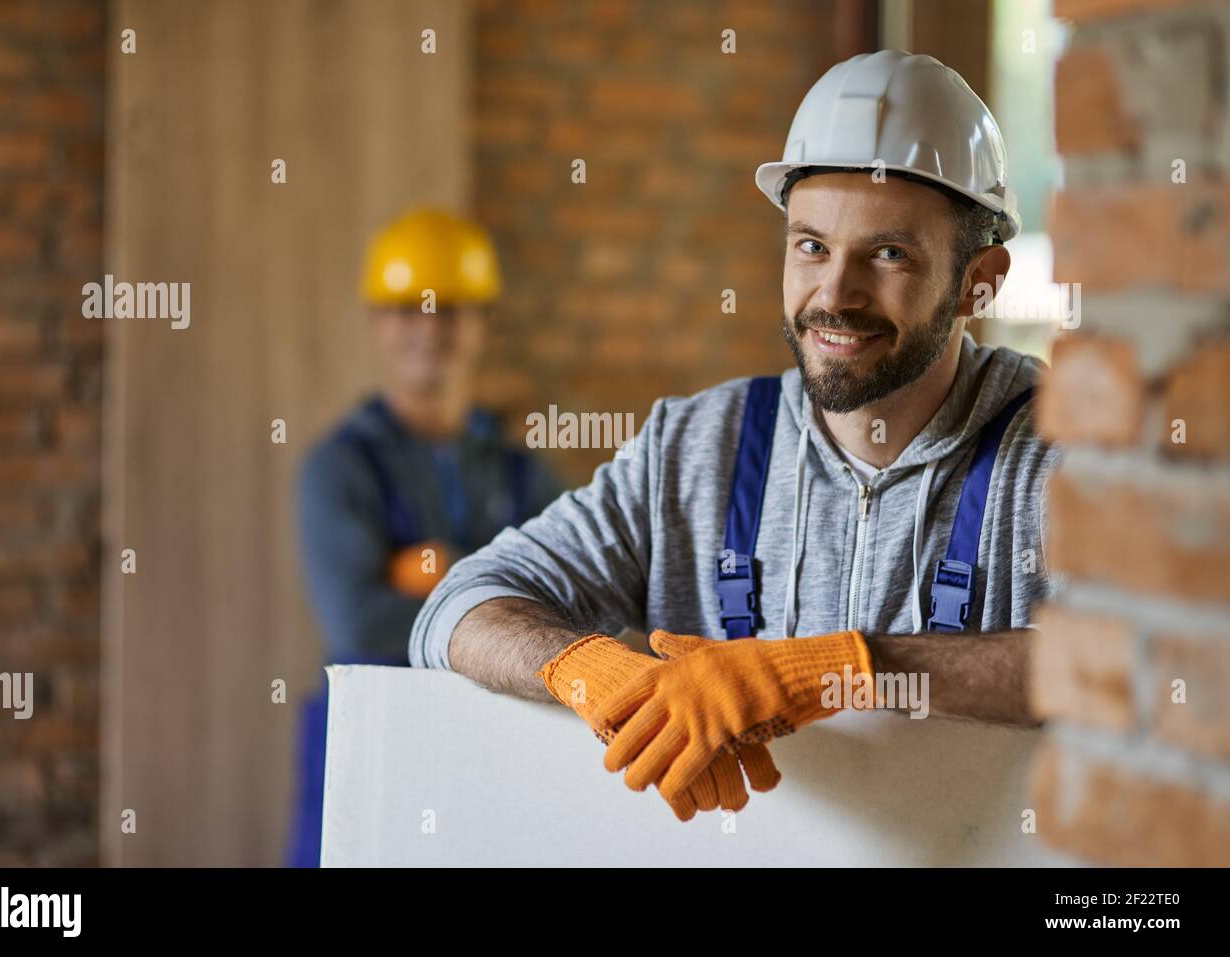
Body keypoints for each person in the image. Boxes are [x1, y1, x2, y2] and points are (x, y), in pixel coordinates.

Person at [408, 51, 1063, 821]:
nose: (835, 295)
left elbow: (1146, 670)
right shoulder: (694, 448)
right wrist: (592, 672)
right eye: (811, 246)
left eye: (888, 254)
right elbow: (456, 609)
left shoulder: (1063, 456)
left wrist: (845, 667)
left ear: (979, 281)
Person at [289, 207, 566, 865]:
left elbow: (572, 604)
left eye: (450, 310)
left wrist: (434, 570)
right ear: (378, 322)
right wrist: (496, 602)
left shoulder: (522, 472)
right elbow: (359, 619)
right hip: (370, 741)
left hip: (494, 744)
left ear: (483, 322)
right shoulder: (339, 467)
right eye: (409, 308)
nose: (429, 329)